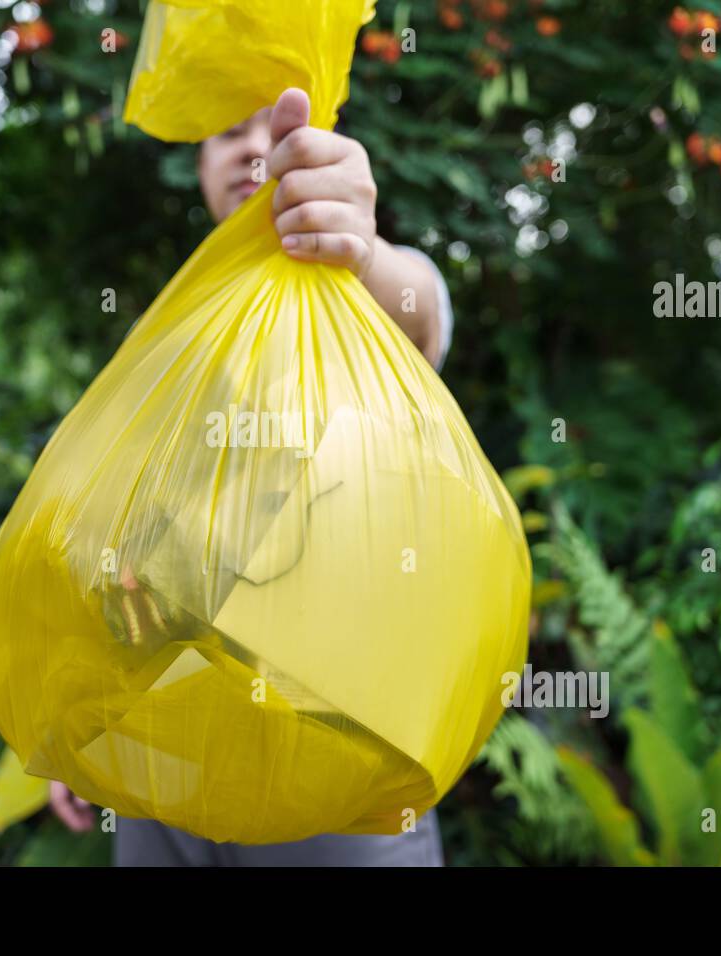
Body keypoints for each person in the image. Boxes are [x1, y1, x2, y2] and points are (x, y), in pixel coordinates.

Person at [51, 88, 453, 866]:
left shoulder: (355, 289)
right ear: (200, 166)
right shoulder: (168, 326)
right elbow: (120, 533)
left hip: (334, 752)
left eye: (269, 127)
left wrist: (363, 252)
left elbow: (420, 316)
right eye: (224, 133)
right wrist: (81, 708)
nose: (247, 147)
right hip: (157, 753)